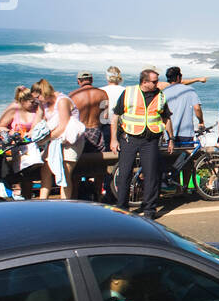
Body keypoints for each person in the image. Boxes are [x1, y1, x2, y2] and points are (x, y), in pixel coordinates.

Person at [111, 69, 172, 218]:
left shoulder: (160, 96)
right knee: (124, 174)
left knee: (151, 175)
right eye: (154, 81)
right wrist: (113, 139)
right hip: (129, 139)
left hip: (150, 140)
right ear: (144, 82)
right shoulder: (129, 93)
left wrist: (171, 138)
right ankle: (122, 208)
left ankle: (149, 209)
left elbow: (167, 118)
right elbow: (115, 117)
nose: (158, 83)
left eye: (157, 80)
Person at [32, 79, 84, 199]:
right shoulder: (42, 103)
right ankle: (42, 201)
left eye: (38, 97)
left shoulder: (62, 101)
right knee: (45, 170)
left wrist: (44, 139)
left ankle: (64, 204)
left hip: (69, 140)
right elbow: (36, 121)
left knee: (64, 174)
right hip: (54, 140)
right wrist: (31, 135)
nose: (37, 100)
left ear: (44, 93)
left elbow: (63, 126)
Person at [0, 86, 46, 198]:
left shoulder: (38, 109)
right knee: (24, 169)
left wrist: (40, 109)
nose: (34, 104)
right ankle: (22, 194)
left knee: (31, 165)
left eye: (35, 101)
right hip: (15, 144)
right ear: (22, 101)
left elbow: (37, 126)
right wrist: (11, 133)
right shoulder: (14, 109)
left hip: (32, 143)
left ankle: (27, 194)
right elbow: (0, 126)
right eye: (31, 102)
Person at [163, 67, 206, 148]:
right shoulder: (189, 90)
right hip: (186, 132)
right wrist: (201, 121)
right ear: (179, 77)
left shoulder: (164, 92)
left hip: (168, 133)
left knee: (169, 159)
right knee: (187, 158)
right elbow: (197, 108)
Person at [69, 71, 110, 154]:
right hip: (96, 131)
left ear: (78, 81)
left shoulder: (73, 95)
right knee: (97, 160)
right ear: (91, 80)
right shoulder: (102, 94)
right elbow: (105, 117)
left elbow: (69, 118)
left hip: (80, 131)